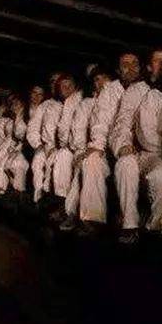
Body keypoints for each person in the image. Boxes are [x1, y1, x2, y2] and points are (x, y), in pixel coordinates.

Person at [110, 48, 162, 244]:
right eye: (157, 61)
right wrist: (123, 145)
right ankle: (130, 225)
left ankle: (158, 229)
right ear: (149, 66)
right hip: (147, 153)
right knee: (126, 163)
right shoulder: (137, 90)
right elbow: (123, 122)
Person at [59, 63, 115, 233]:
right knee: (87, 164)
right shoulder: (86, 104)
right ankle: (81, 216)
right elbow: (78, 131)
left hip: (115, 151)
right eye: (97, 80)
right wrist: (81, 151)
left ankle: (75, 214)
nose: (102, 83)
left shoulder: (120, 97)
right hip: (93, 151)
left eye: (105, 79)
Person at [50, 74, 84, 217]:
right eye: (63, 87)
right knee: (62, 157)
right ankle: (62, 204)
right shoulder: (64, 103)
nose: (66, 89)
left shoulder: (79, 99)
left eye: (69, 86)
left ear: (75, 87)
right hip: (70, 147)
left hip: (84, 147)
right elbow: (62, 131)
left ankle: (71, 213)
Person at [27, 73, 63, 202]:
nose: (55, 84)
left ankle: (53, 199)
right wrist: (38, 145)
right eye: (52, 82)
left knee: (56, 165)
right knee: (37, 161)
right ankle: (38, 198)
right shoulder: (45, 105)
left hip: (63, 147)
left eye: (58, 81)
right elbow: (33, 128)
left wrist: (58, 147)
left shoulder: (73, 102)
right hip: (46, 146)